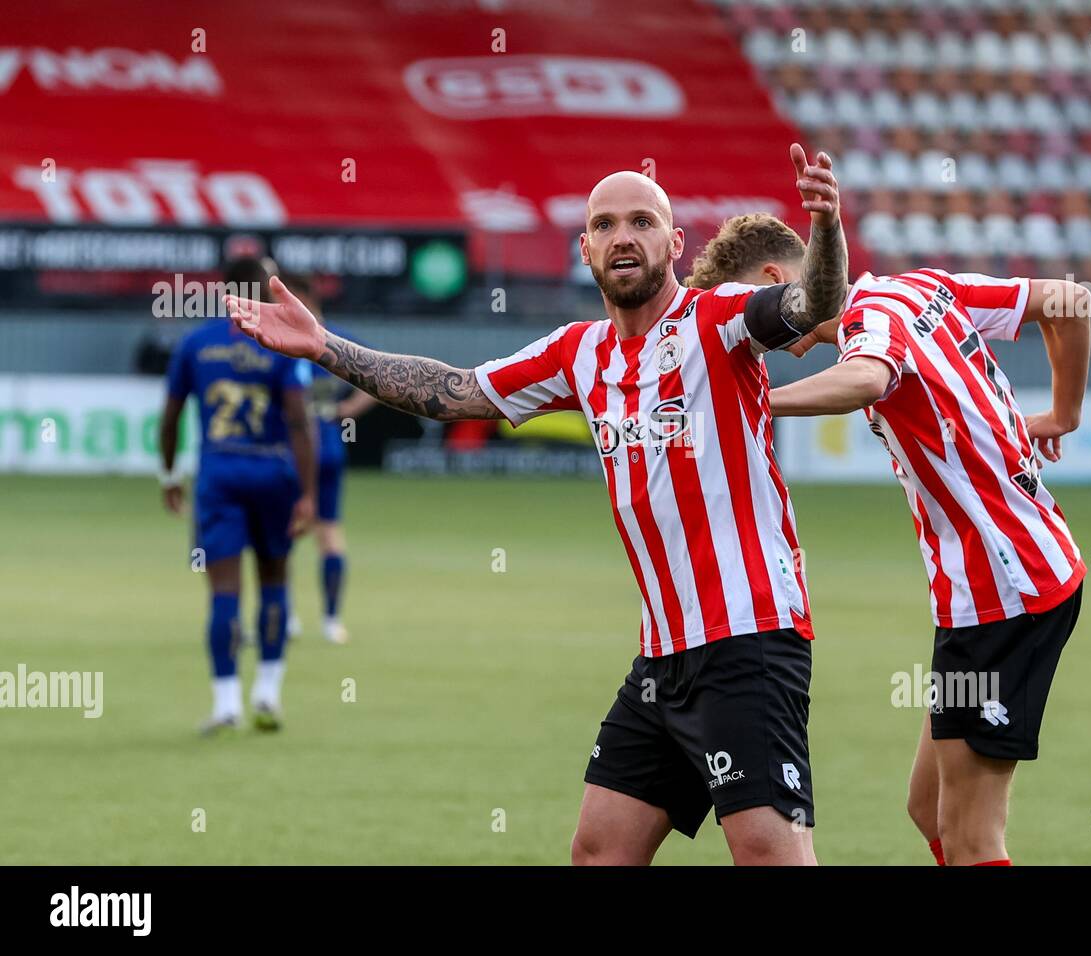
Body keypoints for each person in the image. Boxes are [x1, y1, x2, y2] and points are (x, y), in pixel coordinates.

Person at [224, 144, 847, 865]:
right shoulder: (579, 353)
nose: (623, 236)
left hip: (749, 638)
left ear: (674, 243)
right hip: (663, 654)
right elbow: (452, 388)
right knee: (598, 852)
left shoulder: (721, 320)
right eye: (605, 224)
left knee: (770, 854)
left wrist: (826, 226)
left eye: (642, 222)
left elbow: (812, 304)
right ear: (584, 247)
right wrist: (326, 347)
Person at [688, 212, 1091, 867]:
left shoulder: (865, 320)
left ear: (776, 281)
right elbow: (1069, 300)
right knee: (927, 809)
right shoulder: (921, 287)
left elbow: (867, 379)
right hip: (1018, 572)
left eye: (750, 318)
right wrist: (1065, 413)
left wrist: (753, 404)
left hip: (1002, 594)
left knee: (971, 840)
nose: (752, 343)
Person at [159, 257, 316, 735]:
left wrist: (169, 473)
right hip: (273, 471)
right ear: (266, 289)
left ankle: (226, 702)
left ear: (224, 288)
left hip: (219, 474)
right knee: (274, 580)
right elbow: (298, 420)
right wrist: (308, 493)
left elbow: (169, 418)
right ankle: (267, 693)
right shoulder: (280, 345)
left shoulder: (196, 342)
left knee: (223, 590)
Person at [280, 274, 377, 645]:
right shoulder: (337, 338)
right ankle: (331, 621)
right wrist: (347, 408)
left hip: (293, 450)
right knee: (329, 532)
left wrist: (347, 408)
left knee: (285, 533)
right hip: (329, 445)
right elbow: (376, 375)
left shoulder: (287, 340)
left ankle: (286, 617)